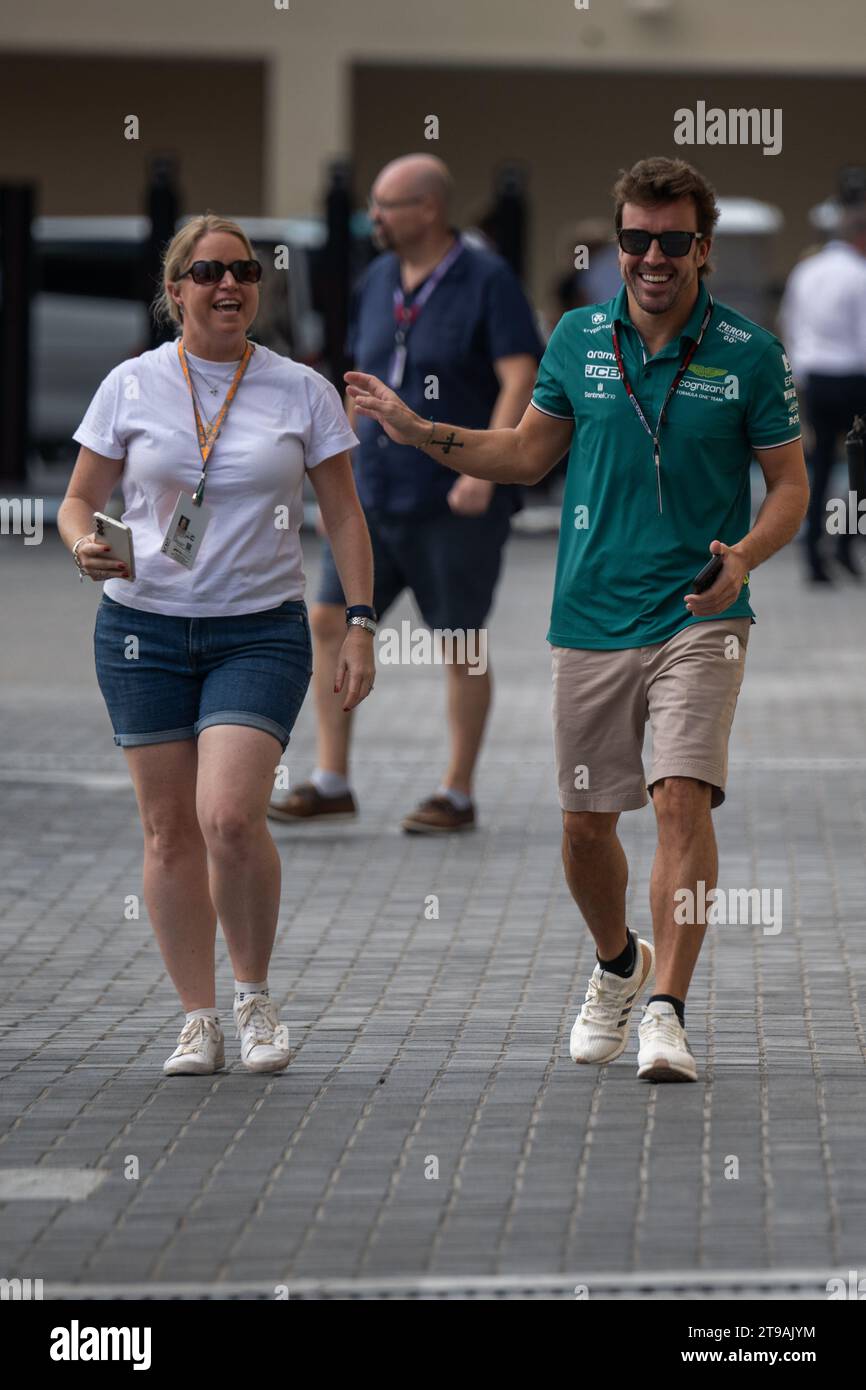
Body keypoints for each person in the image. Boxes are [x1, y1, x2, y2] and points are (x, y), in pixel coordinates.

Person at [342, 157, 809, 1083]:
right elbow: (522, 454)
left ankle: (668, 1012)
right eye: (635, 239)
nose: (652, 257)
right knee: (586, 825)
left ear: (703, 251)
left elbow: (790, 484)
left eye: (673, 242)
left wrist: (745, 558)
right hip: (590, 616)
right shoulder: (579, 339)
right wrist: (417, 430)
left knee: (681, 797)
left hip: (701, 611)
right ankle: (617, 964)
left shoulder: (748, 353)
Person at [57, 213, 376, 1077]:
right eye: (207, 272)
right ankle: (197, 1017)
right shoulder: (130, 384)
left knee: (229, 817)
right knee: (168, 833)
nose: (228, 285)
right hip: (140, 630)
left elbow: (343, 512)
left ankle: (254, 995)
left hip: (258, 629)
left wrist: (359, 622)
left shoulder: (299, 389)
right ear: (176, 291)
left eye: (242, 271)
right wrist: (84, 543)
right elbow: (77, 501)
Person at [268, 154, 541, 834]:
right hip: (376, 491)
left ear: (429, 210)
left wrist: (486, 470)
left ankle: (457, 792)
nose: (376, 216)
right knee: (330, 619)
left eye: (388, 205)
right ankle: (332, 779)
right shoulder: (378, 278)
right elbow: (360, 382)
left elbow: (519, 374)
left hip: (454, 495)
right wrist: (338, 468)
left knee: (459, 641)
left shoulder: (487, 279)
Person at [779, 205, 866, 582]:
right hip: (853, 376)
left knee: (818, 465)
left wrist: (797, 372)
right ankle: (846, 545)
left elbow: (790, 321)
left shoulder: (806, 270)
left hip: (815, 375)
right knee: (858, 470)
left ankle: (814, 554)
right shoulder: (860, 274)